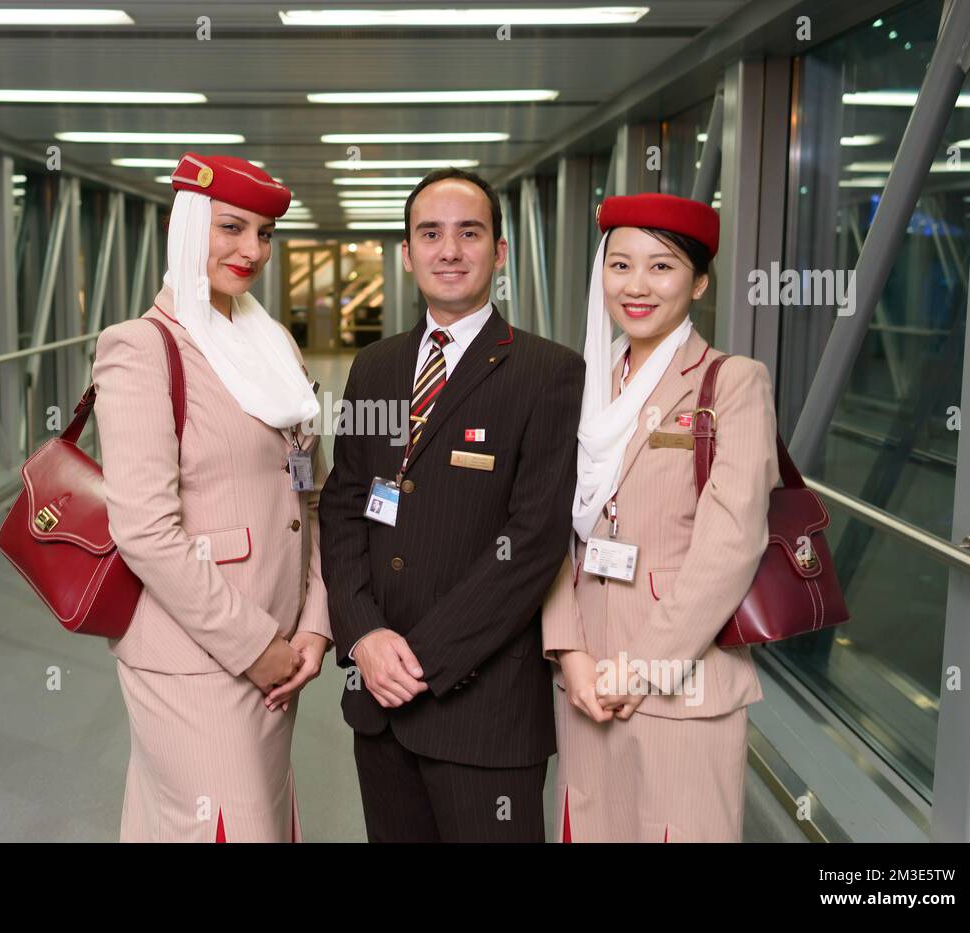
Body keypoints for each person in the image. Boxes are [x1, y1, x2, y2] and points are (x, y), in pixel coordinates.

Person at [319, 168, 584, 842]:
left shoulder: (546, 372)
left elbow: (533, 541)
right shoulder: (375, 367)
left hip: (482, 708)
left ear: (499, 252)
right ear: (406, 253)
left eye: (470, 233)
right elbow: (346, 502)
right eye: (430, 234)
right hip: (378, 700)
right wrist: (364, 635)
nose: (449, 250)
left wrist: (421, 659)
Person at [92, 153, 330, 842]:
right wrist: (255, 644)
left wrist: (314, 624)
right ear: (189, 226)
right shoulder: (142, 347)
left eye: (265, 233)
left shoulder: (272, 342)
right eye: (231, 227)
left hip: (280, 642)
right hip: (195, 655)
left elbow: (310, 492)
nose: (251, 249)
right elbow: (144, 530)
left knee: (249, 813)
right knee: (225, 823)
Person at [543, 193, 779, 842]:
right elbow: (547, 532)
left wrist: (641, 667)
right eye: (619, 266)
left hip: (681, 677)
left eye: (662, 266)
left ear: (699, 280)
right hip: (586, 677)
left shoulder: (731, 383)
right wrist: (570, 652)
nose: (637, 286)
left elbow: (730, 545)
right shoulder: (581, 382)